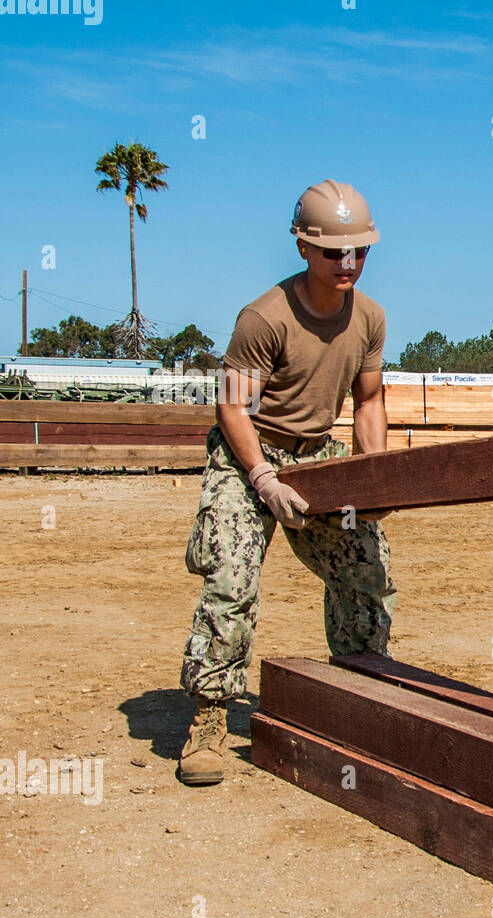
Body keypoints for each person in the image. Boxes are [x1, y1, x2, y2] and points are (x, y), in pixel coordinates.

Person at [176, 179, 396, 786]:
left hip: (318, 455)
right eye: (334, 252)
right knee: (231, 577)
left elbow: (370, 400)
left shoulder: (370, 318)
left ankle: (362, 692)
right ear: (303, 248)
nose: (348, 263)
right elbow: (232, 409)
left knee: (365, 568)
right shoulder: (264, 318)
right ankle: (212, 716)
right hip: (249, 457)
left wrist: (372, 480)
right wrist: (263, 479)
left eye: (360, 251)